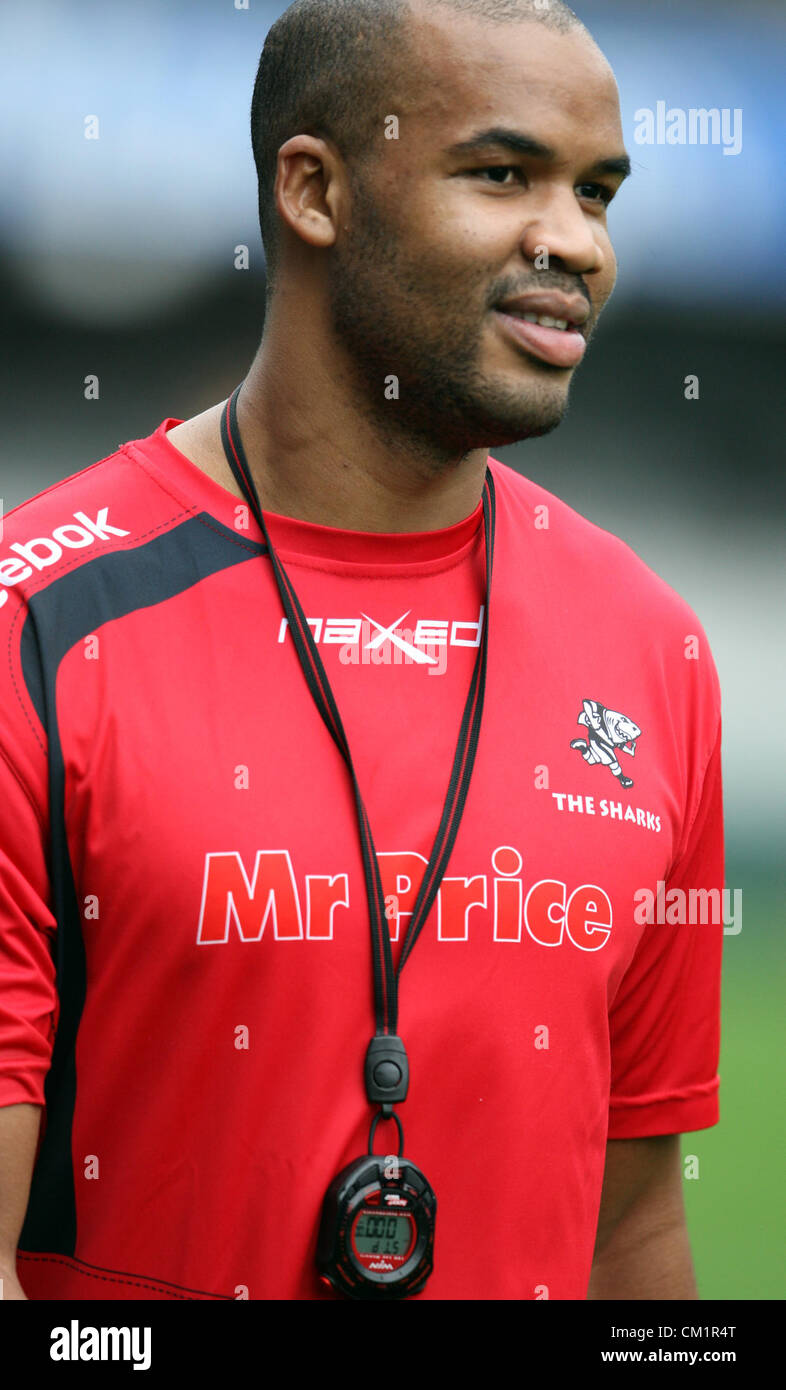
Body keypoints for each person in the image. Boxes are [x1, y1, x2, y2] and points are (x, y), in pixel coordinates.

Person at [0, 0, 723, 1301]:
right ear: (313, 189)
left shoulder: (652, 648)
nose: (573, 244)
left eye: (597, 192)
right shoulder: (38, 624)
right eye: (501, 174)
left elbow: (628, 1233)